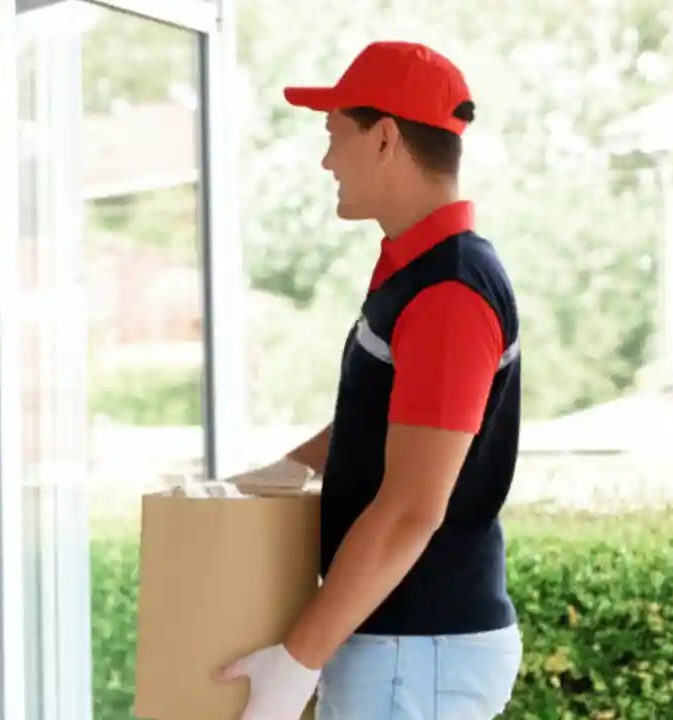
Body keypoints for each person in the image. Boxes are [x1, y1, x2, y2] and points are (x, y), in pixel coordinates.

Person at [214, 42, 524, 719]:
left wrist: (296, 662)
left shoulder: (448, 291)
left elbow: (413, 507)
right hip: (405, 648)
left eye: (335, 137)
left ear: (384, 138)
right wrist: (272, 474)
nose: (327, 161)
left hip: (417, 649)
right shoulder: (420, 275)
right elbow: (390, 425)